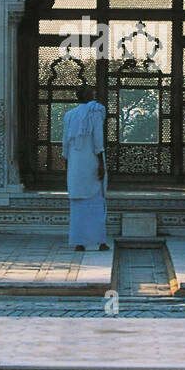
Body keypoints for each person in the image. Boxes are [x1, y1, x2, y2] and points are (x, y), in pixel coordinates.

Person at [61, 86, 109, 252]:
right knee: (96, 201)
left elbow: (65, 144)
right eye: (92, 93)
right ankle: (100, 242)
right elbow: (98, 141)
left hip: (75, 165)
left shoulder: (69, 115)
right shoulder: (94, 113)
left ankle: (80, 242)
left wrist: (67, 165)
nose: (95, 94)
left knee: (79, 203)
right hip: (91, 163)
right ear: (87, 96)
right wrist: (101, 163)